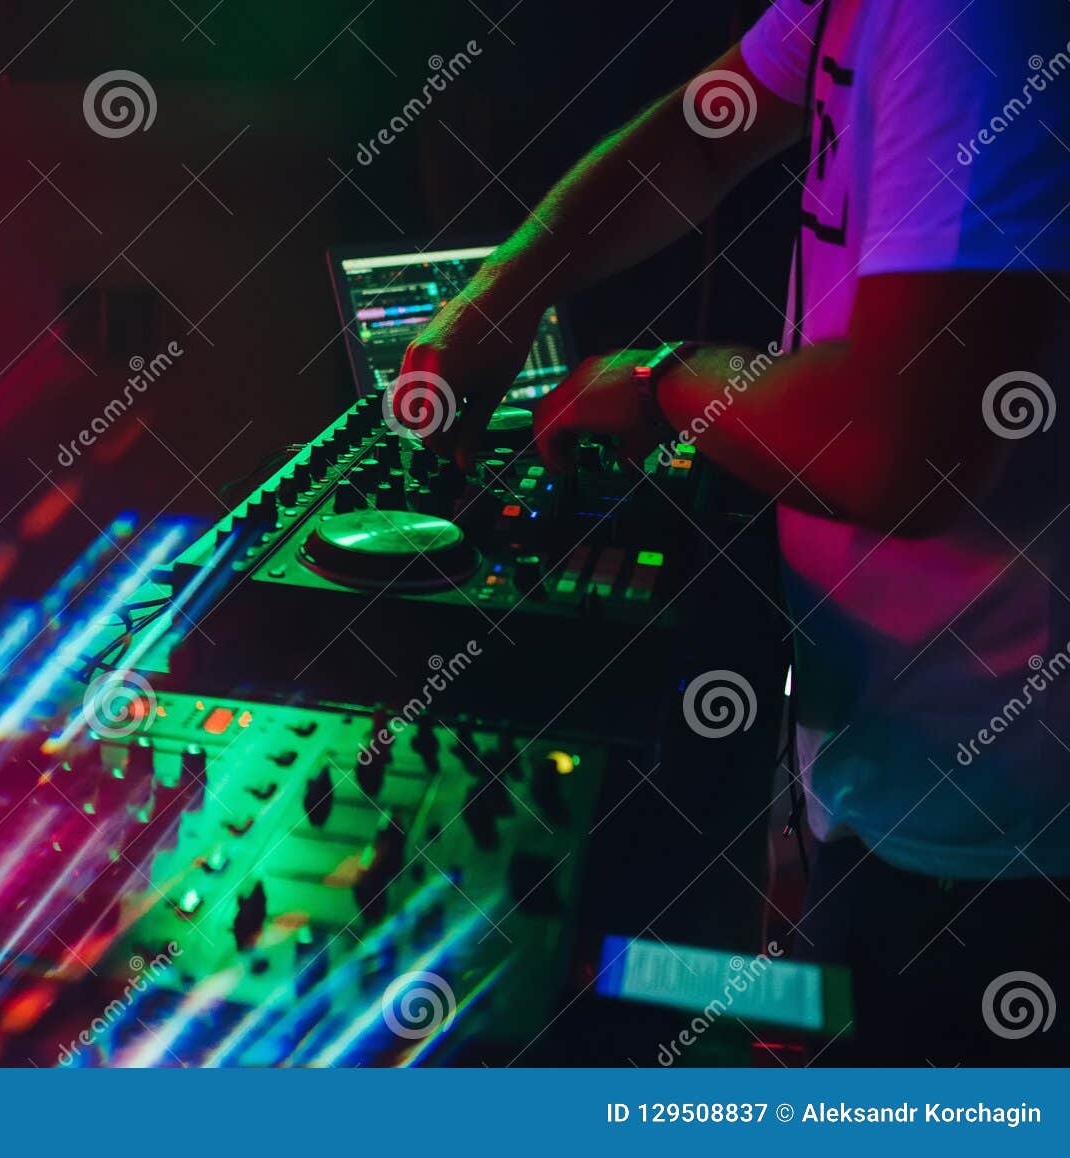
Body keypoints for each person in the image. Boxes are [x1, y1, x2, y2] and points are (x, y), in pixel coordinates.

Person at [401, 0, 1070, 1064]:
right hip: (896, 761)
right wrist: (499, 296)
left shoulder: (975, 20)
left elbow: (899, 444)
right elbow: (705, 131)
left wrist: (662, 384)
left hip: (998, 817)